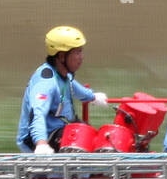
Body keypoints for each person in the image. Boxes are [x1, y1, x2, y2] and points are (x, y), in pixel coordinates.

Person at [16, 26, 109, 154]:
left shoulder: (64, 75)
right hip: (37, 138)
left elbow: (76, 88)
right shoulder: (46, 82)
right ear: (61, 56)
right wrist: (41, 143)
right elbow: (37, 113)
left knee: (93, 137)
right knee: (79, 145)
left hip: (59, 129)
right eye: (77, 52)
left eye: (81, 52)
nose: (81, 57)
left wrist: (92, 97)